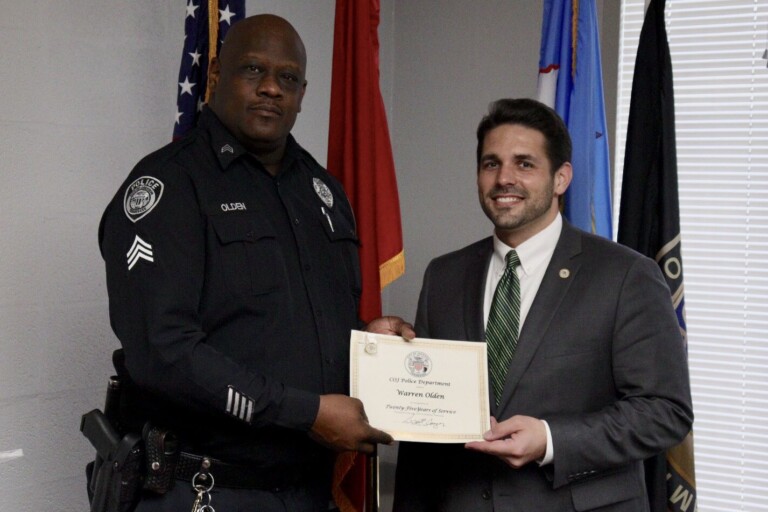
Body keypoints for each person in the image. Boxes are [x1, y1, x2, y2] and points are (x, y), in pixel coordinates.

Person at [99, 14, 407, 512]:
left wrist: (367, 337)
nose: (271, 89)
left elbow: (302, 322)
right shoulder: (169, 187)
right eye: (253, 70)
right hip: (205, 488)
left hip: (308, 489)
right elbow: (164, 351)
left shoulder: (322, 191)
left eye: (287, 78)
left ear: (303, 92)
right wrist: (306, 413)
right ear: (217, 74)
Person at [392, 98, 693, 511]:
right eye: (491, 163)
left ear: (561, 178)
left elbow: (665, 412)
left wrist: (551, 439)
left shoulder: (626, 276)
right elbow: (422, 426)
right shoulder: (444, 275)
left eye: (525, 164)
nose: (504, 179)